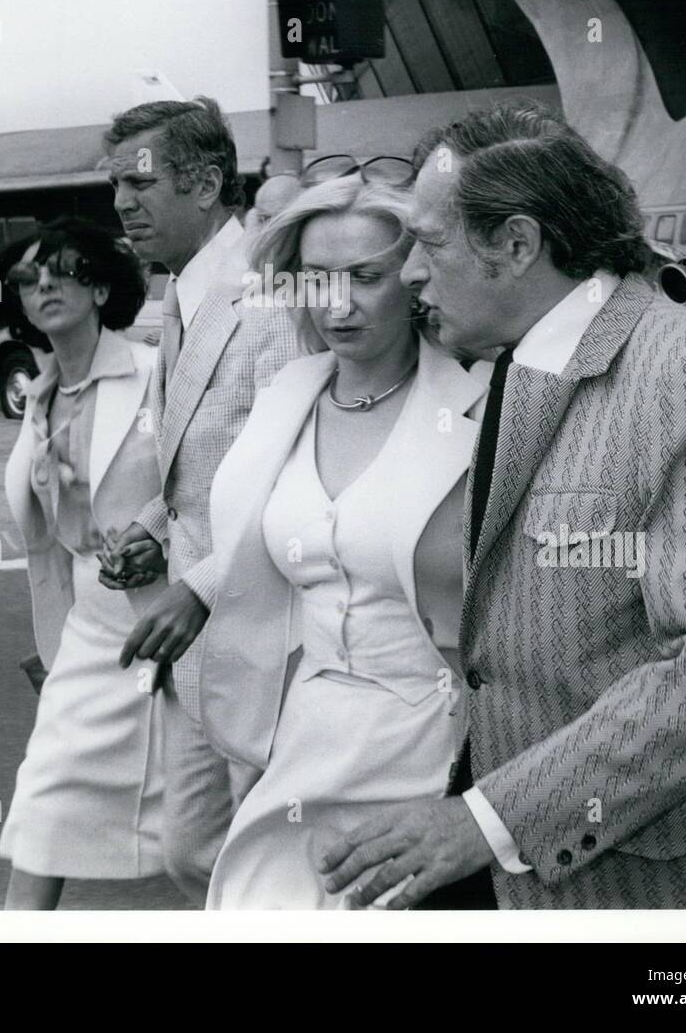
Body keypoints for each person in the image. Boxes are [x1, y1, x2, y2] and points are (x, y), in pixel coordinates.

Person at [320, 104, 686, 910]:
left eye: (430, 244)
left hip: (656, 891)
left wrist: (488, 822)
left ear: (518, 243)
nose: (411, 276)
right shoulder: (518, 360)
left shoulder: (682, 369)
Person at [193, 172, 489, 909]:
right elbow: (252, 545)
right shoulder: (284, 397)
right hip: (309, 730)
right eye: (316, 278)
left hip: (435, 740)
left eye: (365, 276)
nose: (336, 303)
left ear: (414, 276)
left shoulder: (482, 406)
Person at [96, 96, 300, 904]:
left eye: (138, 182)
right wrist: (152, 528)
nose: (120, 203)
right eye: (114, 185)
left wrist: (202, 587)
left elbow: (294, 471)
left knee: (265, 858)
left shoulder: (272, 294)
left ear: (209, 181)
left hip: (263, 630)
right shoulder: (180, 297)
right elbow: (196, 457)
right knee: (193, 850)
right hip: (198, 641)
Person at [0, 216, 169, 909]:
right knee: (43, 802)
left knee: (211, 828)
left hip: (178, 621)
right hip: (91, 637)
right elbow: (46, 547)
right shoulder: (37, 397)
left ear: (100, 287)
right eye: (30, 279)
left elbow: (206, 491)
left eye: (64, 271)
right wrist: (52, 651)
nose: (46, 287)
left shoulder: (157, 374)